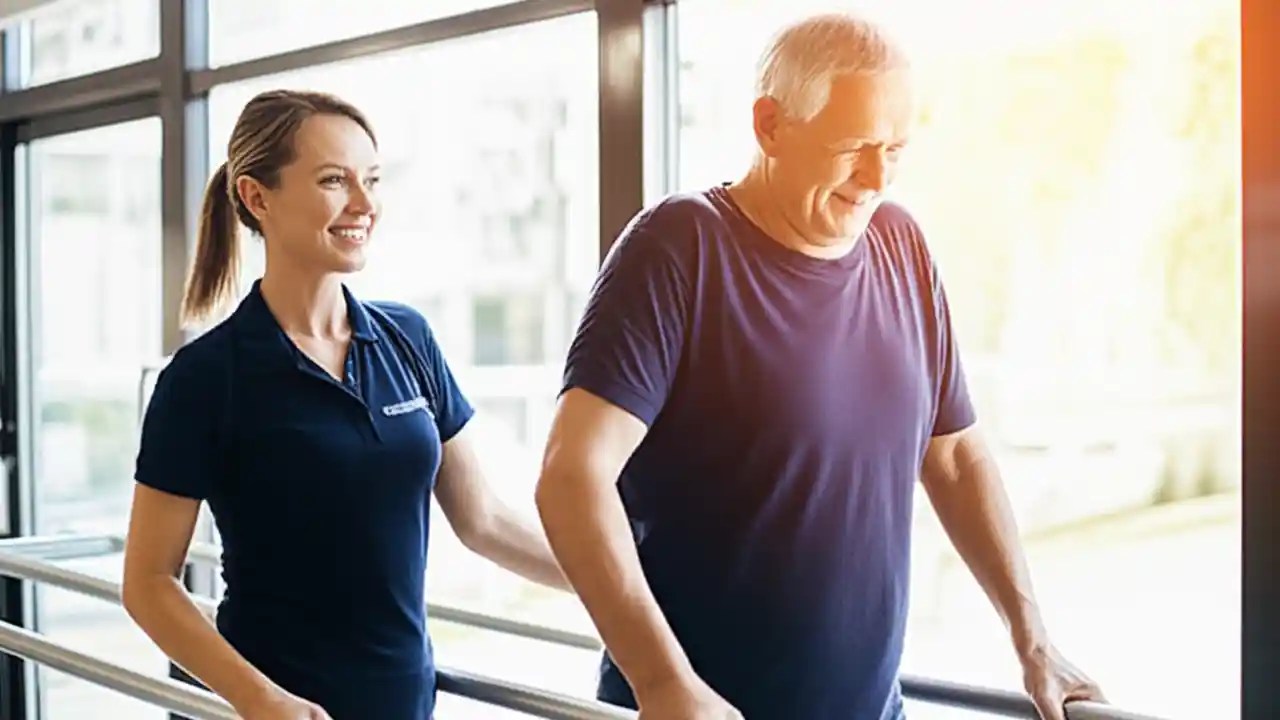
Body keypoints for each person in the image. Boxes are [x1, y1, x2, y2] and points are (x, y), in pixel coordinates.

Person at [535, 12, 1106, 720]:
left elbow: (955, 459)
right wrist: (660, 682)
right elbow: (570, 476)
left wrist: (1033, 639)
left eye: (895, 148)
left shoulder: (901, 246)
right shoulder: (679, 247)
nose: (875, 177)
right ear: (770, 125)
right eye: (854, 147)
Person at [121, 89, 569, 720]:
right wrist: (261, 700)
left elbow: (484, 521)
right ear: (257, 197)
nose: (365, 204)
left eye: (373, 180)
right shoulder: (205, 378)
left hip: (405, 705)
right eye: (335, 180)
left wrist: (622, 593)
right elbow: (148, 582)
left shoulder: (407, 339)